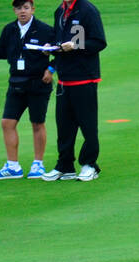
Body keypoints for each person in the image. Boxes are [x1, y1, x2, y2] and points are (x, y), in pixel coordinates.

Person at [0, 0, 55, 180]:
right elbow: (0, 52)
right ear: (14, 10)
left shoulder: (45, 30)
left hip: (38, 83)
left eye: (25, 8)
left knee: (37, 124)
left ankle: (38, 164)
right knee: (7, 123)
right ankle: (13, 166)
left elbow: (59, 52)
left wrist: (51, 69)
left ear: (32, 9)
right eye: (18, 8)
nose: (22, 11)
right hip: (16, 83)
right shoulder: (9, 30)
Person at [40, 0, 106, 182]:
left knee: (88, 125)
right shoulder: (59, 12)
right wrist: (50, 49)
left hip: (84, 77)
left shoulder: (88, 10)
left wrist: (76, 45)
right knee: (64, 126)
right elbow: (58, 41)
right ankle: (65, 165)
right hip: (64, 79)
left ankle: (90, 164)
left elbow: (99, 42)